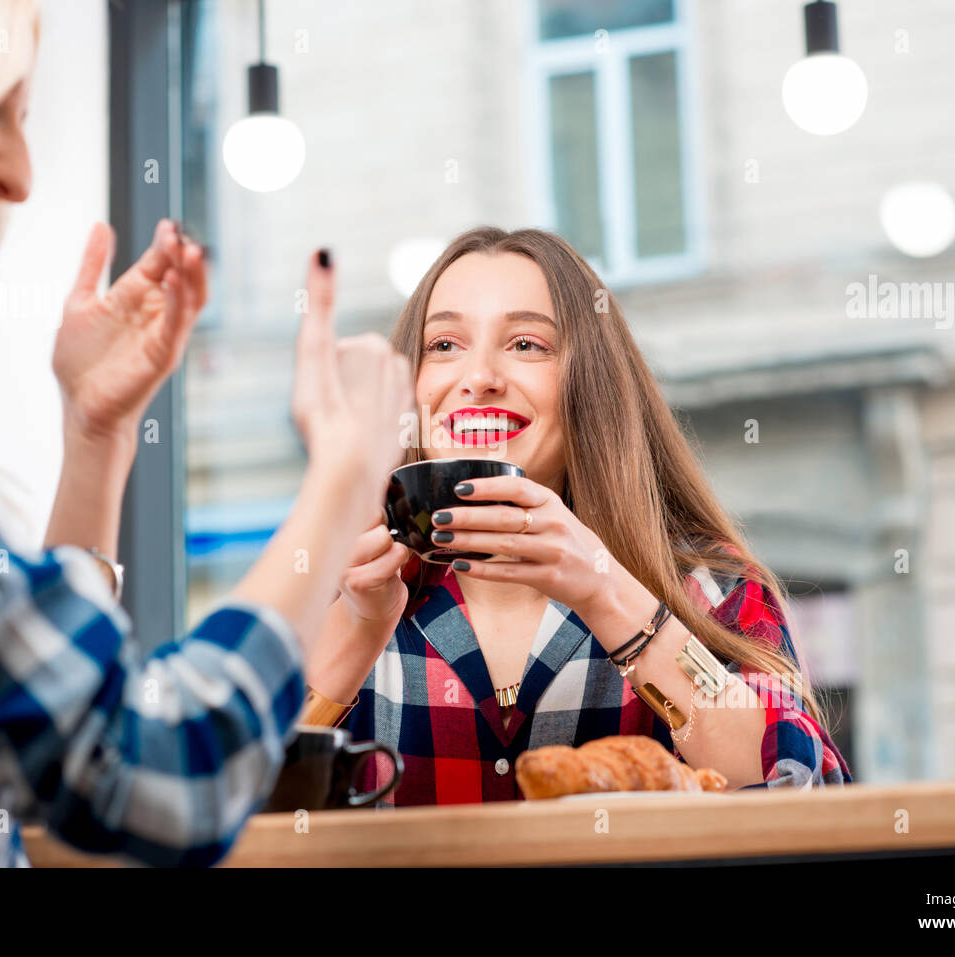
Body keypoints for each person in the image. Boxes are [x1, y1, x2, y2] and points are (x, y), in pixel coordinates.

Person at [0, 0, 412, 865]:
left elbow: (25, 719)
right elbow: (154, 769)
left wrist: (97, 434)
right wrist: (344, 472)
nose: (20, 173)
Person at [304, 227, 853, 804]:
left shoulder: (709, 585)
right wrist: (358, 629)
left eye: (526, 345)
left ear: (589, 387)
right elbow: (225, 811)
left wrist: (607, 593)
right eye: (444, 345)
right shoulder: (338, 586)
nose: (479, 377)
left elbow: (804, 790)